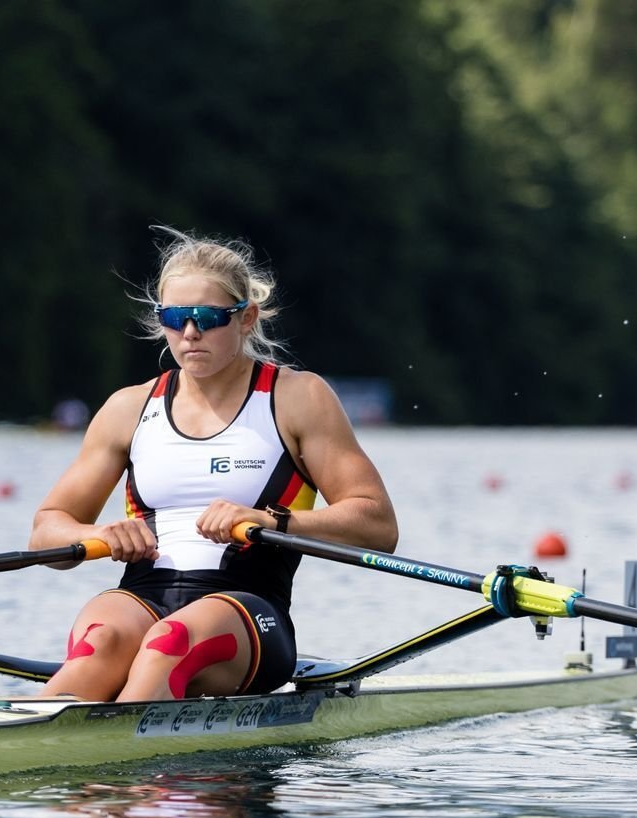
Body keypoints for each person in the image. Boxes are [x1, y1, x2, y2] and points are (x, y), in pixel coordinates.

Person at [30, 228, 398, 702]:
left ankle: (114, 763)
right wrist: (97, 536)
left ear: (246, 318)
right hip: (140, 595)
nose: (189, 333)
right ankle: (9, 737)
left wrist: (270, 520)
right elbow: (45, 533)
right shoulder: (128, 407)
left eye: (207, 317)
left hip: (248, 611)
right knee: (100, 643)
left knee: (169, 643)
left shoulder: (297, 398)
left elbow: (378, 525)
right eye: (174, 317)